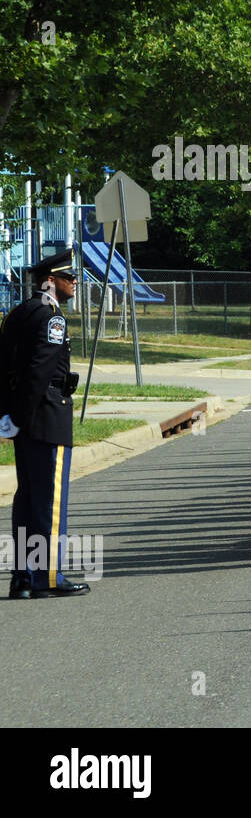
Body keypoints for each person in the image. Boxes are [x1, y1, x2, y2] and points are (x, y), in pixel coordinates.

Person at [2, 249, 90, 599]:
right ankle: (48, 577)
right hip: (46, 415)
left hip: (22, 419)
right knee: (48, 503)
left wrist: (7, 416)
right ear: (50, 281)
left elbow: (4, 368)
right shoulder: (52, 318)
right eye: (70, 277)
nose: (75, 282)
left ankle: (23, 578)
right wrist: (22, 415)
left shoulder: (17, 313)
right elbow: (38, 373)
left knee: (26, 501)